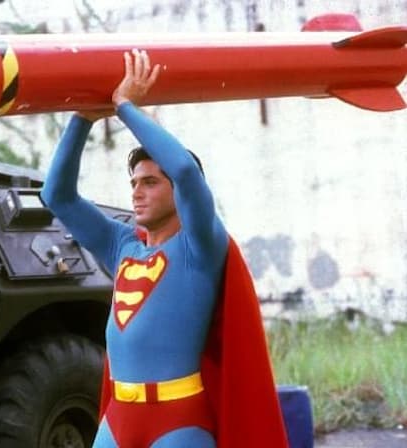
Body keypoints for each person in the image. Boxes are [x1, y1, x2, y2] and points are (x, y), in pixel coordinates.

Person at [41, 49, 288, 447]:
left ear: (179, 194)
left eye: (151, 182)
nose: (137, 192)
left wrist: (126, 107)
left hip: (178, 422)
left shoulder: (200, 246)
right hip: (119, 418)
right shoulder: (122, 245)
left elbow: (185, 170)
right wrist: (82, 120)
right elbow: (57, 196)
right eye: (134, 183)